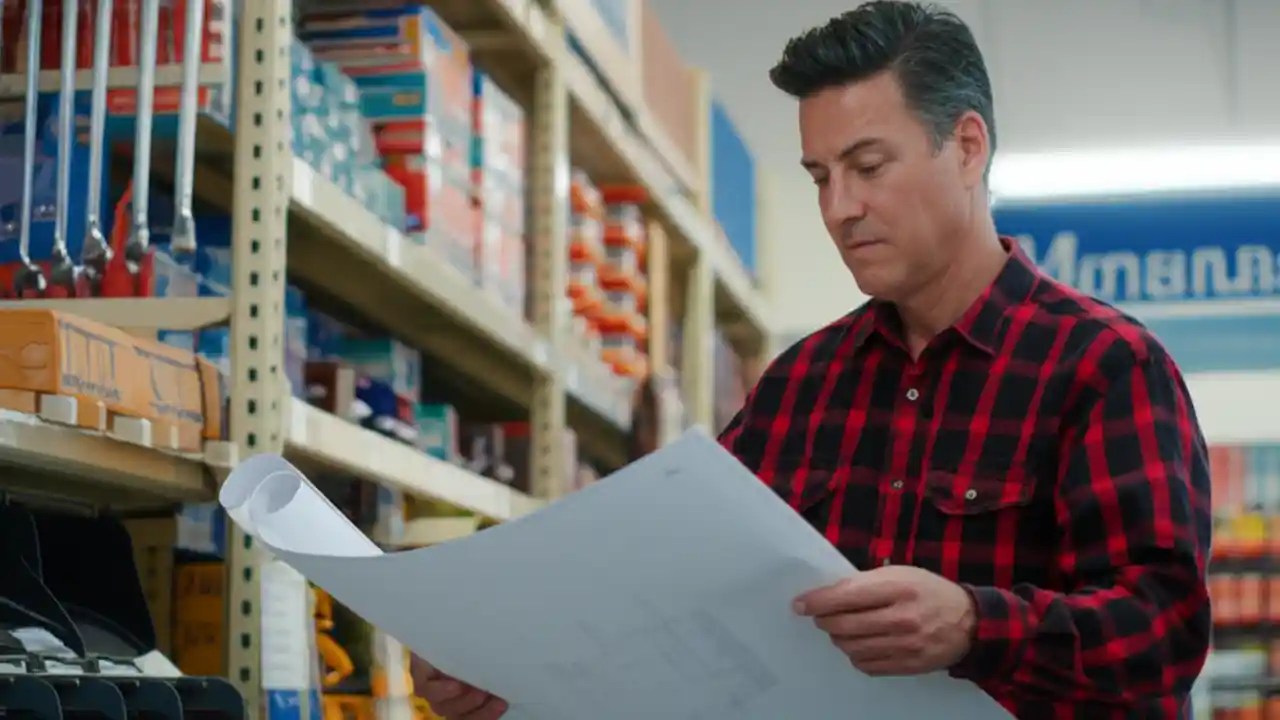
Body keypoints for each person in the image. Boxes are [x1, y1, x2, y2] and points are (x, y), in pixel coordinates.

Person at [411, 1, 1213, 718]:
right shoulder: (800, 388)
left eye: (869, 167)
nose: (839, 209)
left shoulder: (1104, 367)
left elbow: (1163, 636)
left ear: (967, 146)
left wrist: (975, 625)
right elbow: (669, 602)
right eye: (820, 177)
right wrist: (511, 671)